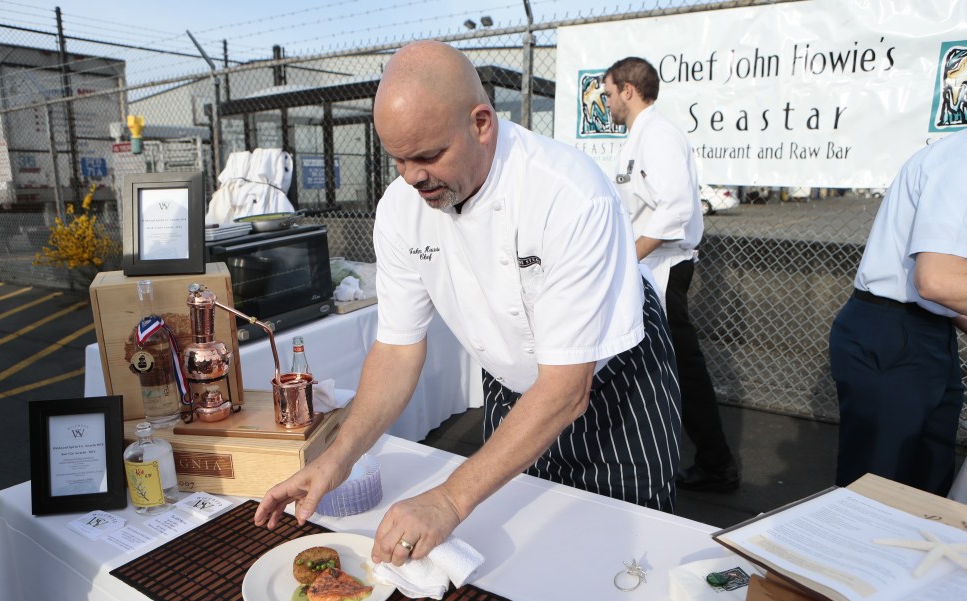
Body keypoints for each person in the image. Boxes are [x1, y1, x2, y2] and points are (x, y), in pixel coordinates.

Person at [255, 41, 680, 565]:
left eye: (428, 156)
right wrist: (337, 456)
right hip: (512, 384)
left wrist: (449, 499)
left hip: (614, 386)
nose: (412, 177)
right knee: (515, 552)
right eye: (398, 159)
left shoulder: (569, 194)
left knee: (627, 560)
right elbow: (397, 350)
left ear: (481, 124)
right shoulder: (400, 209)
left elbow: (567, 388)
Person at [602, 57, 740, 494]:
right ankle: (682, 457)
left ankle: (716, 464)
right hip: (648, 266)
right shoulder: (639, 137)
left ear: (628, 90)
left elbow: (677, 207)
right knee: (656, 363)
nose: (607, 102)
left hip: (662, 267)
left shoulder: (658, 135)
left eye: (608, 93)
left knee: (682, 366)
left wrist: (627, 258)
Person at [830, 130, 967, 495]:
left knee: (926, 491)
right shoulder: (961, 160)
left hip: (926, 329)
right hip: (894, 331)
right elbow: (936, 280)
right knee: (876, 494)